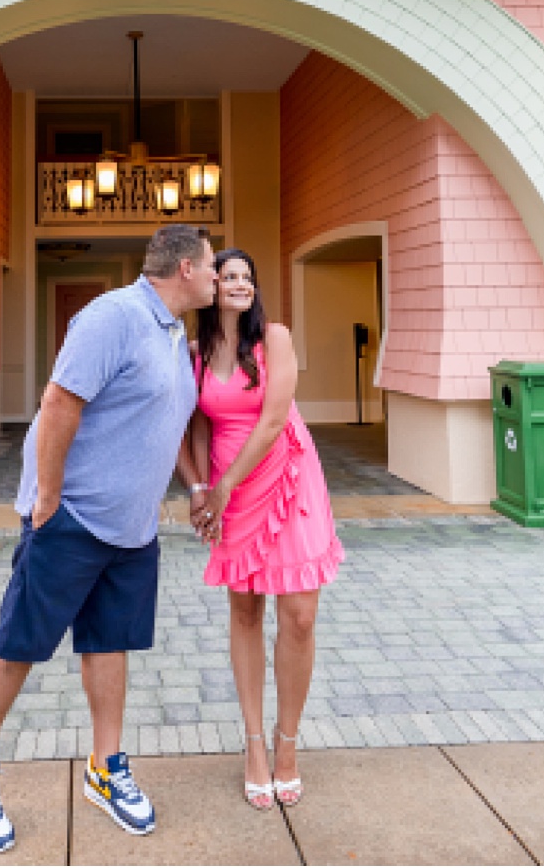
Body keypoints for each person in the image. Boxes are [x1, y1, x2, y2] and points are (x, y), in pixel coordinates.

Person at [0, 224, 218, 854]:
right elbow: (60, 403)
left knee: (109, 642)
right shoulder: (112, 317)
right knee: (20, 642)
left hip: (132, 527)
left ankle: (105, 766)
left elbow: (165, 422)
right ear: (183, 269)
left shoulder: (175, 332)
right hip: (73, 519)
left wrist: (196, 484)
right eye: (210, 266)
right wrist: (47, 501)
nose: (215, 274)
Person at [183, 249, 343, 811]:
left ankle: (288, 743)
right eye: (228, 276)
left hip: (288, 479)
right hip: (230, 492)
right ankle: (254, 743)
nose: (240, 284)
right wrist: (205, 488)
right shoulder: (197, 352)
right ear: (210, 287)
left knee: (298, 616)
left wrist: (224, 486)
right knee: (245, 612)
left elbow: (275, 419)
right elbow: (197, 425)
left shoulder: (273, 338)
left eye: (248, 276)